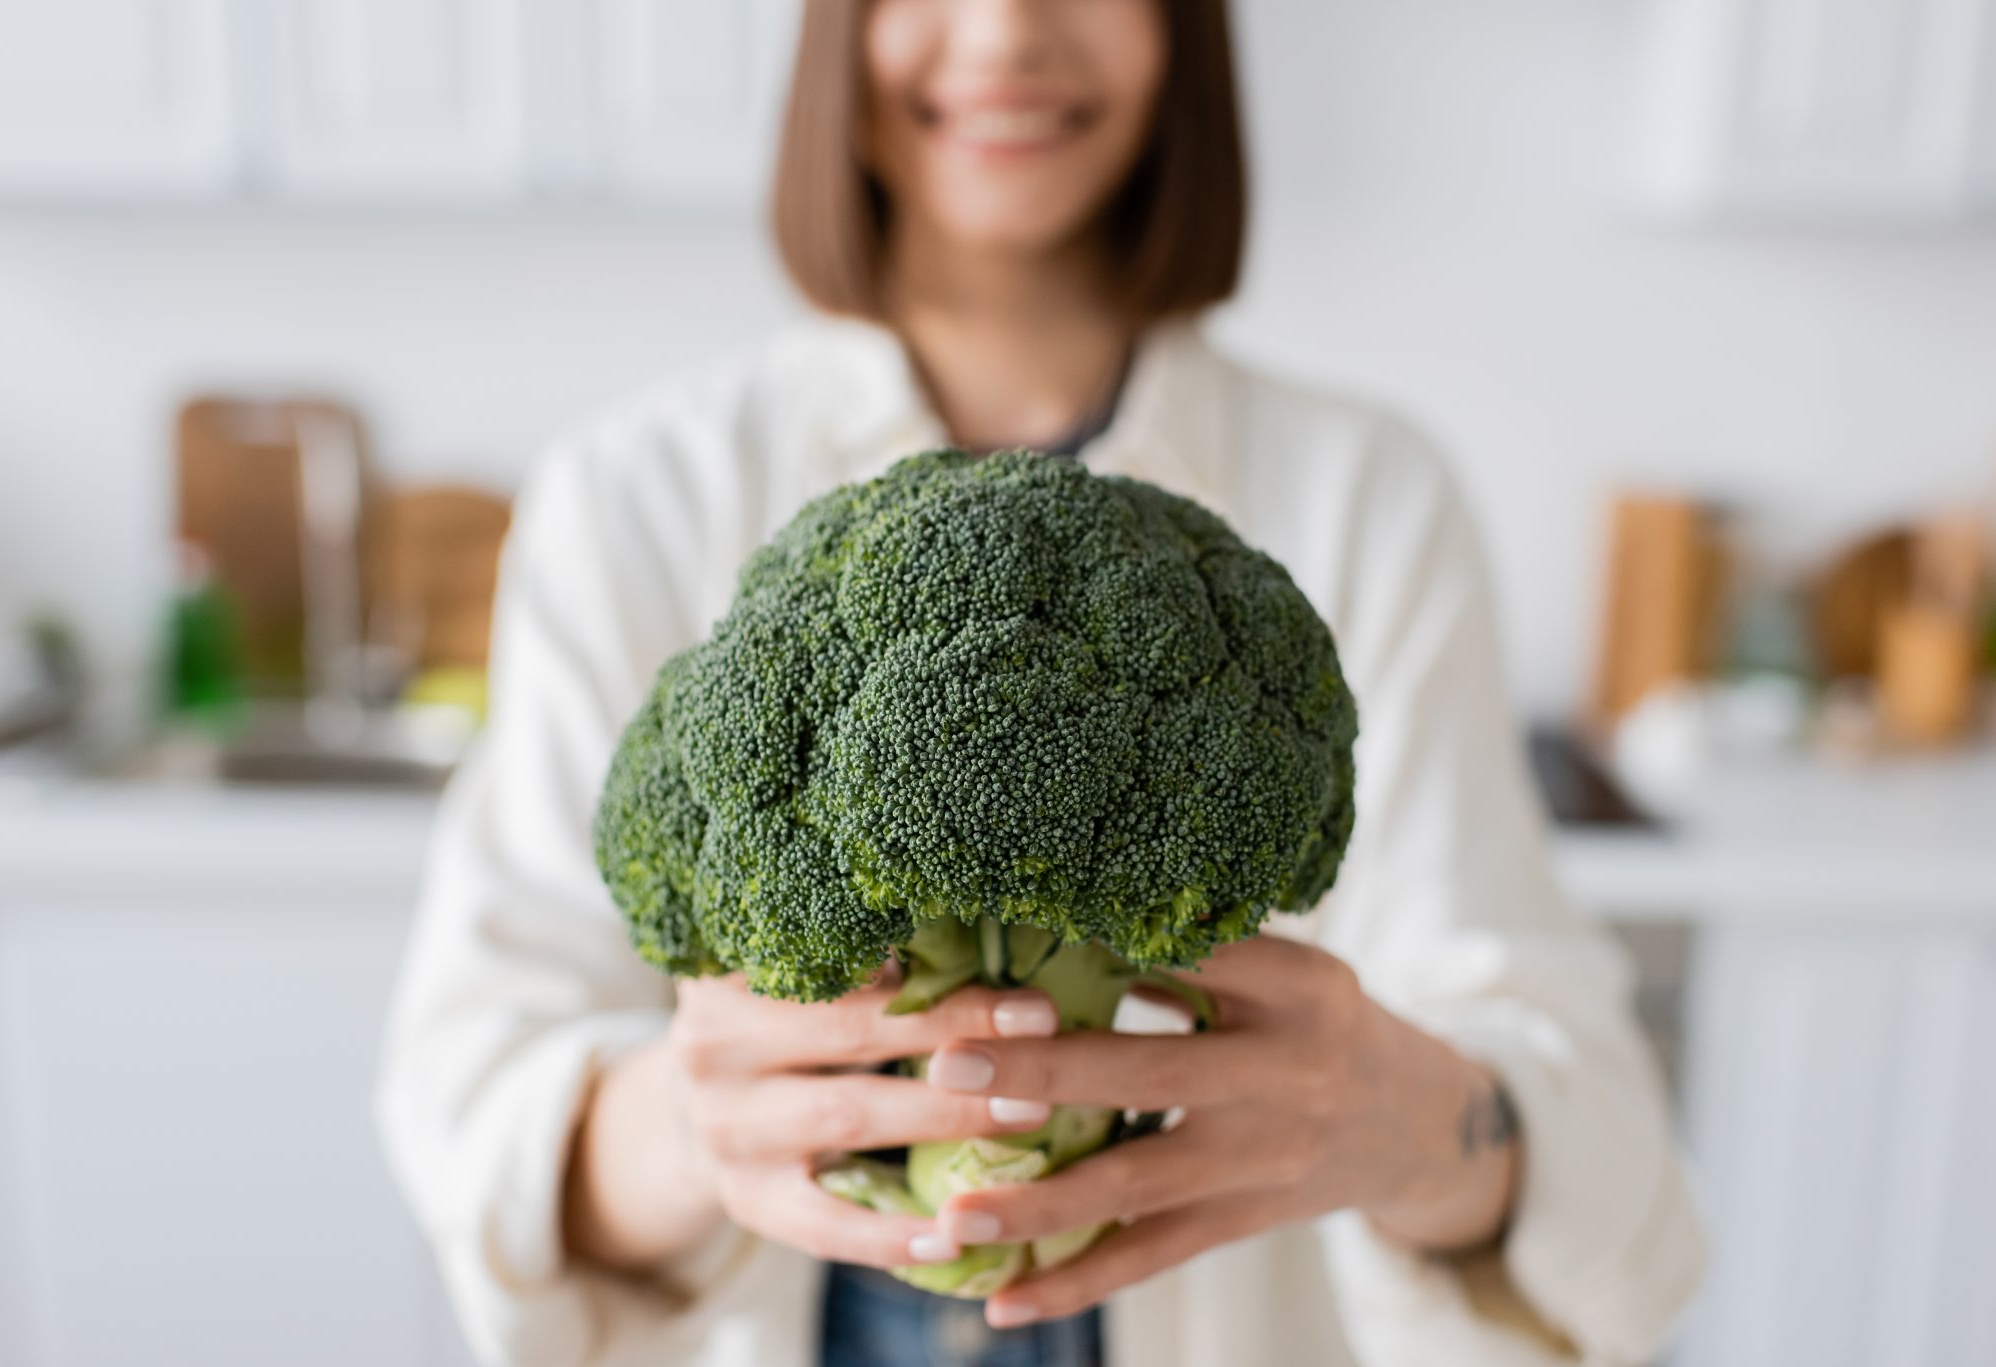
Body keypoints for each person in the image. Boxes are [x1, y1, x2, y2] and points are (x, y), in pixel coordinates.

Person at [376, 2, 1705, 1364]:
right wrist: (687, 1126)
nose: (1006, 34)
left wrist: (1408, 1118)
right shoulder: (634, 496)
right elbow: (474, 1098)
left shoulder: (1370, 500)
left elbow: (1622, 1191)